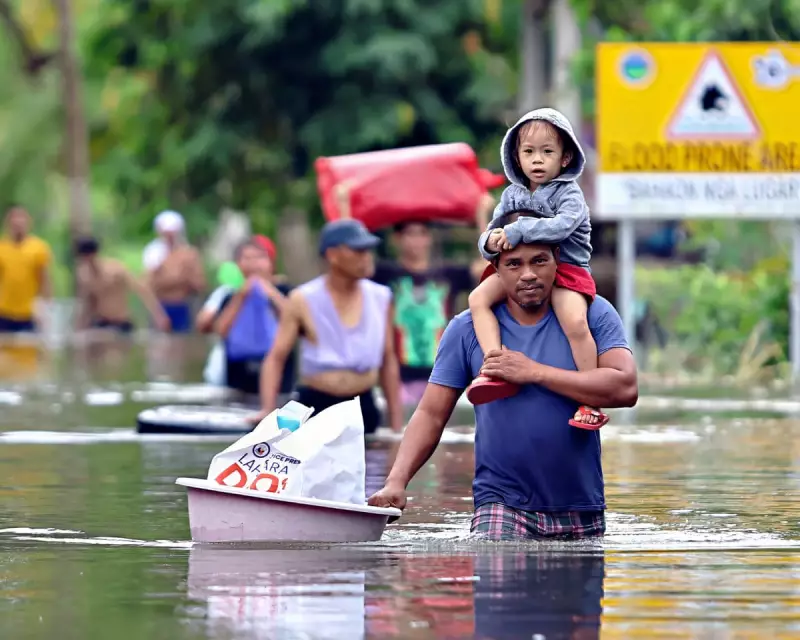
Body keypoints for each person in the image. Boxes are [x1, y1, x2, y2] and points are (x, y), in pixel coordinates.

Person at [368, 234, 638, 540]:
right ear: (495, 269)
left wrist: (534, 372)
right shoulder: (466, 328)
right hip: (500, 505)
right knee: (499, 575)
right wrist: (396, 481)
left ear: (557, 260)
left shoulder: (591, 313)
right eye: (514, 264)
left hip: (581, 505)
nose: (528, 274)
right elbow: (431, 413)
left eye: (539, 260)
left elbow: (625, 388)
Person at [467, 108, 603, 430]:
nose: (537, 160)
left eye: (547, 152)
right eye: (529, 152)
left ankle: (590, 399)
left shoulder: (569, 193)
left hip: (566, 269)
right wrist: (489, 243)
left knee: (574, 321)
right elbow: (492, 230)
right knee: (477, 299)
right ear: (516, 156)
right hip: (521, 270)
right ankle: (494, 366)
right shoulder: (512, 194)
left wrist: (516, 232)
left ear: (566, 157)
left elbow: (561, 227)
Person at [250, 219, 403, 434]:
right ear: (332, 255)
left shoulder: (381, 297)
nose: (366, 258)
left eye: (368, 250)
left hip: (362, 405)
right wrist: (267, 409)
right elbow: (276, 357)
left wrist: (397, 426)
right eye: (358, 251)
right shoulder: (303, 298)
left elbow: (388, 360)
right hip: (316, 404)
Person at [371, 194, 494, 405]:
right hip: (398, 378)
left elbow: (487, 267)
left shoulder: (447, 273)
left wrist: (482, 216)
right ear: (397, 238)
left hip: (442, 374)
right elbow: (351, 258)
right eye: (410, 234)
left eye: (422, 233)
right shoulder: (385, 275)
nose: (417, 240)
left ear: (430, 237)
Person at [74, 236, 171, 333]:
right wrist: (80, 325)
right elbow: (88, 303)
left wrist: (159, 315)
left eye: (88, 256)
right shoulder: (84, 275)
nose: (87, 260)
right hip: (101, 323)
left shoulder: (115, 269)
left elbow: (141, 289)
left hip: (121, 322)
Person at [144, 210, 206, 333]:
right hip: (161, 305)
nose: (169, 236)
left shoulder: (189, 254)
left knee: (183, 344)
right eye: (166, 233)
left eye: (172, 232)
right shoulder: (153, 253)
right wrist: (158, 314)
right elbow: (147, 284)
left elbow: (200, 284)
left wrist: (184, 276)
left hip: (183, 305)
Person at [0, 206, 53, 333]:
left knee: (31, 349)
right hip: (4, 311)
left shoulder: (38, 248)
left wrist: (46, 307)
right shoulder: (2, 248)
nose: (18, 224)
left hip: (29, 313)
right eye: (14, 220)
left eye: (21, 220)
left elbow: (44, 279)